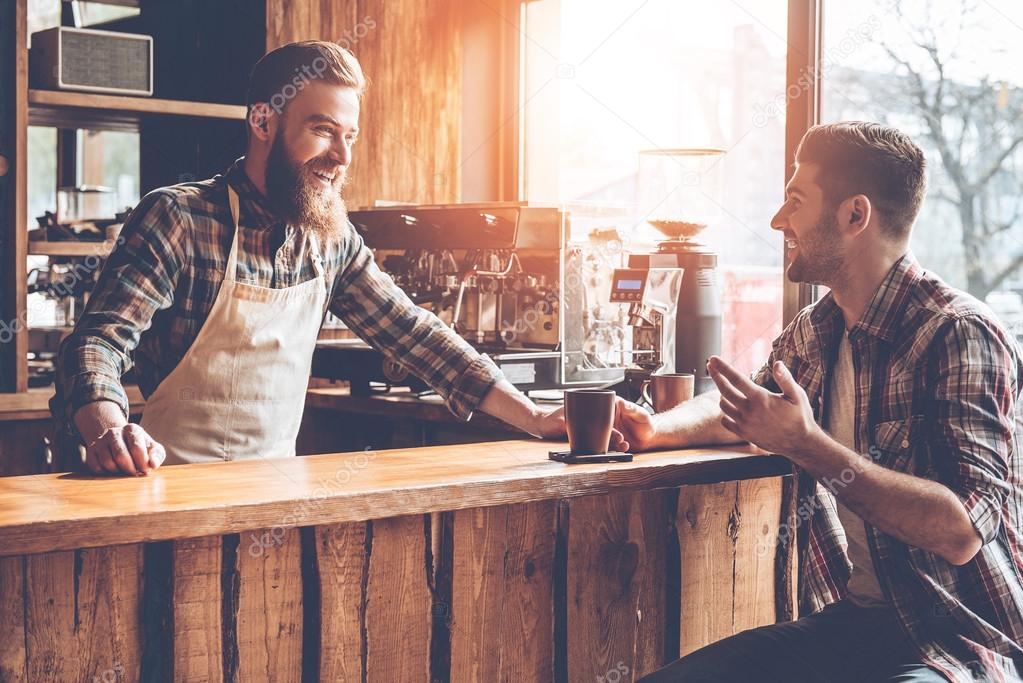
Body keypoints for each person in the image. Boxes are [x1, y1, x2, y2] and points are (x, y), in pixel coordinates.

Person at [619, 122, 1023, 682]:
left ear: (855, 215)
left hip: (960, 640)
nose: (778, 221)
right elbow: (748, 405)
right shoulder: (820, 326)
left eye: (795, 201)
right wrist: (655, 430)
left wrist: (810, 447)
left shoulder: (957, 333)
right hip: (857, 626)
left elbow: (960, 534)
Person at [52, 40, 573, 474]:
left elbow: (414, 334)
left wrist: (536, 417)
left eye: (350, 136)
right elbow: (98, 342)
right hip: (173, 490)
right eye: (323, 130)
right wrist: (111, 429)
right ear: (263, 122)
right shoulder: (180, 218)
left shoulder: (331, 238)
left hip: (281, 494)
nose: (342, 157)